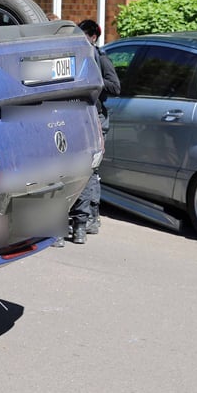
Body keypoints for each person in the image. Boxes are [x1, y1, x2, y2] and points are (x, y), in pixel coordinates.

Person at [67, 18, 121, 245]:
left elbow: (115, 87)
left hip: (95, 118)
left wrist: (94, 82)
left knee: (90, 171)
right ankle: (83, 219)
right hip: (78, 117)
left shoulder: (100, 58)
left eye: (83, 35)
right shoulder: (78, 57)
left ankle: (89, 218)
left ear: (92, 37)